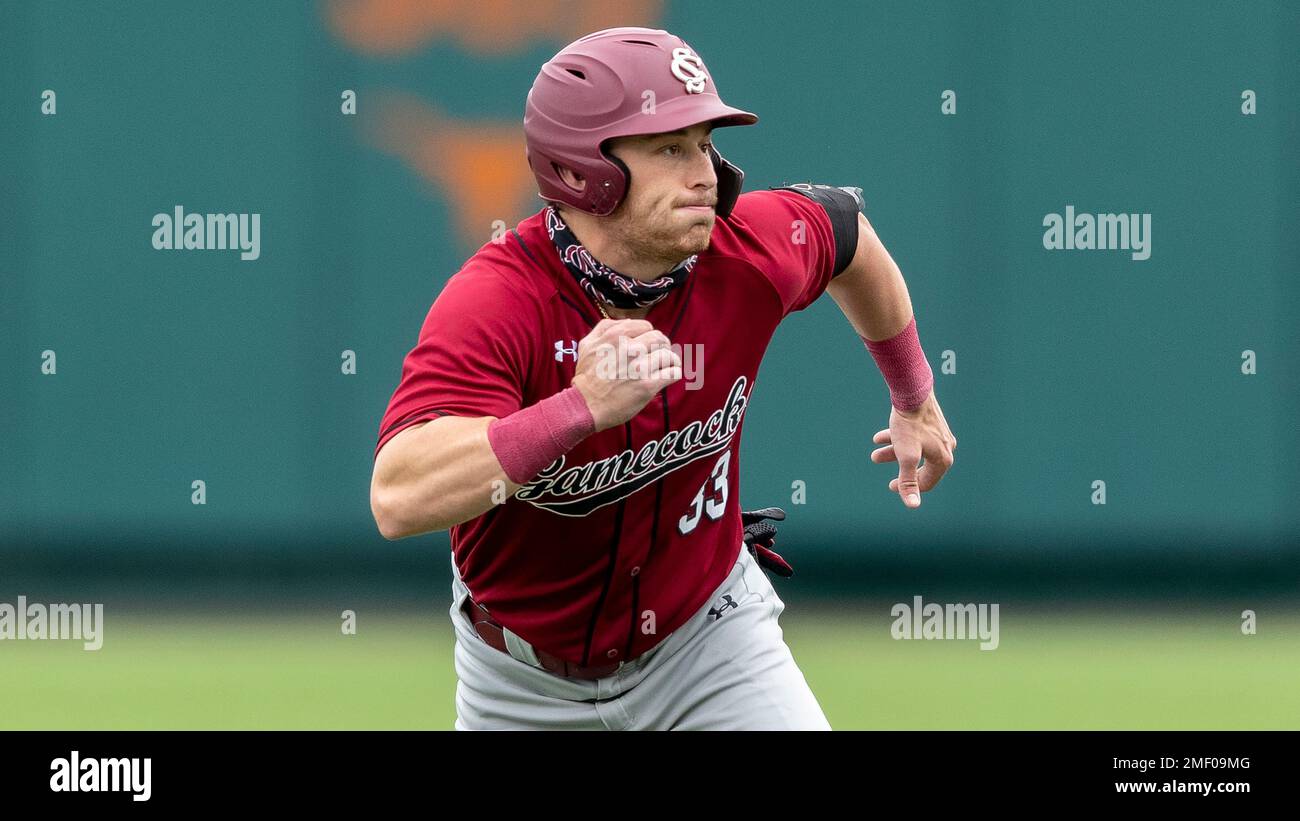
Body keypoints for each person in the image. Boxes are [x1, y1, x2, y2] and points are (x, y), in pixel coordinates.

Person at [370, 27, 957, 730]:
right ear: (584, 170)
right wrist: (577, 409)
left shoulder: (748, 251)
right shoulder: (498, 301)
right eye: (671, 147)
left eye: (706, 142)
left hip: (708, 640)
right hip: (521, 686)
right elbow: (398, 494)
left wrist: (913, 396)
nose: (706, 172)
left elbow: (848, 233)